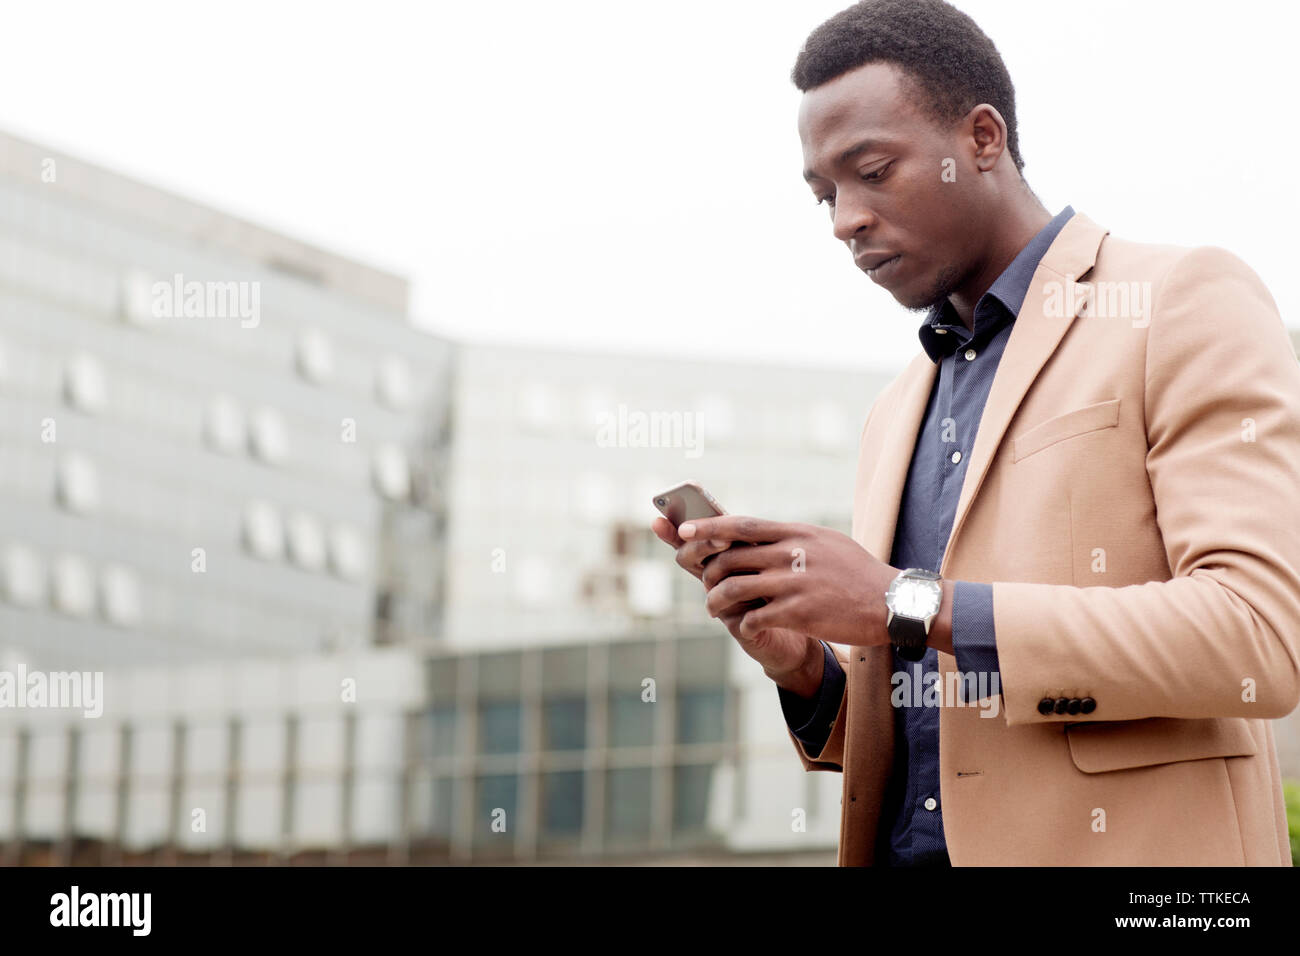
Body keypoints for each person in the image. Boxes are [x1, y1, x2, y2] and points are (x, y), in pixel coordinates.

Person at [652, 0, 1300, 865]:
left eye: (872, 170)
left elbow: (1254, 635)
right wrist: (805, 667)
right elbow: (944, 744)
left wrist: (903, 601)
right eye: (824, 194)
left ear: (983, 140)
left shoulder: (1178, 301)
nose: (845, 219)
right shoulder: (895, 412)